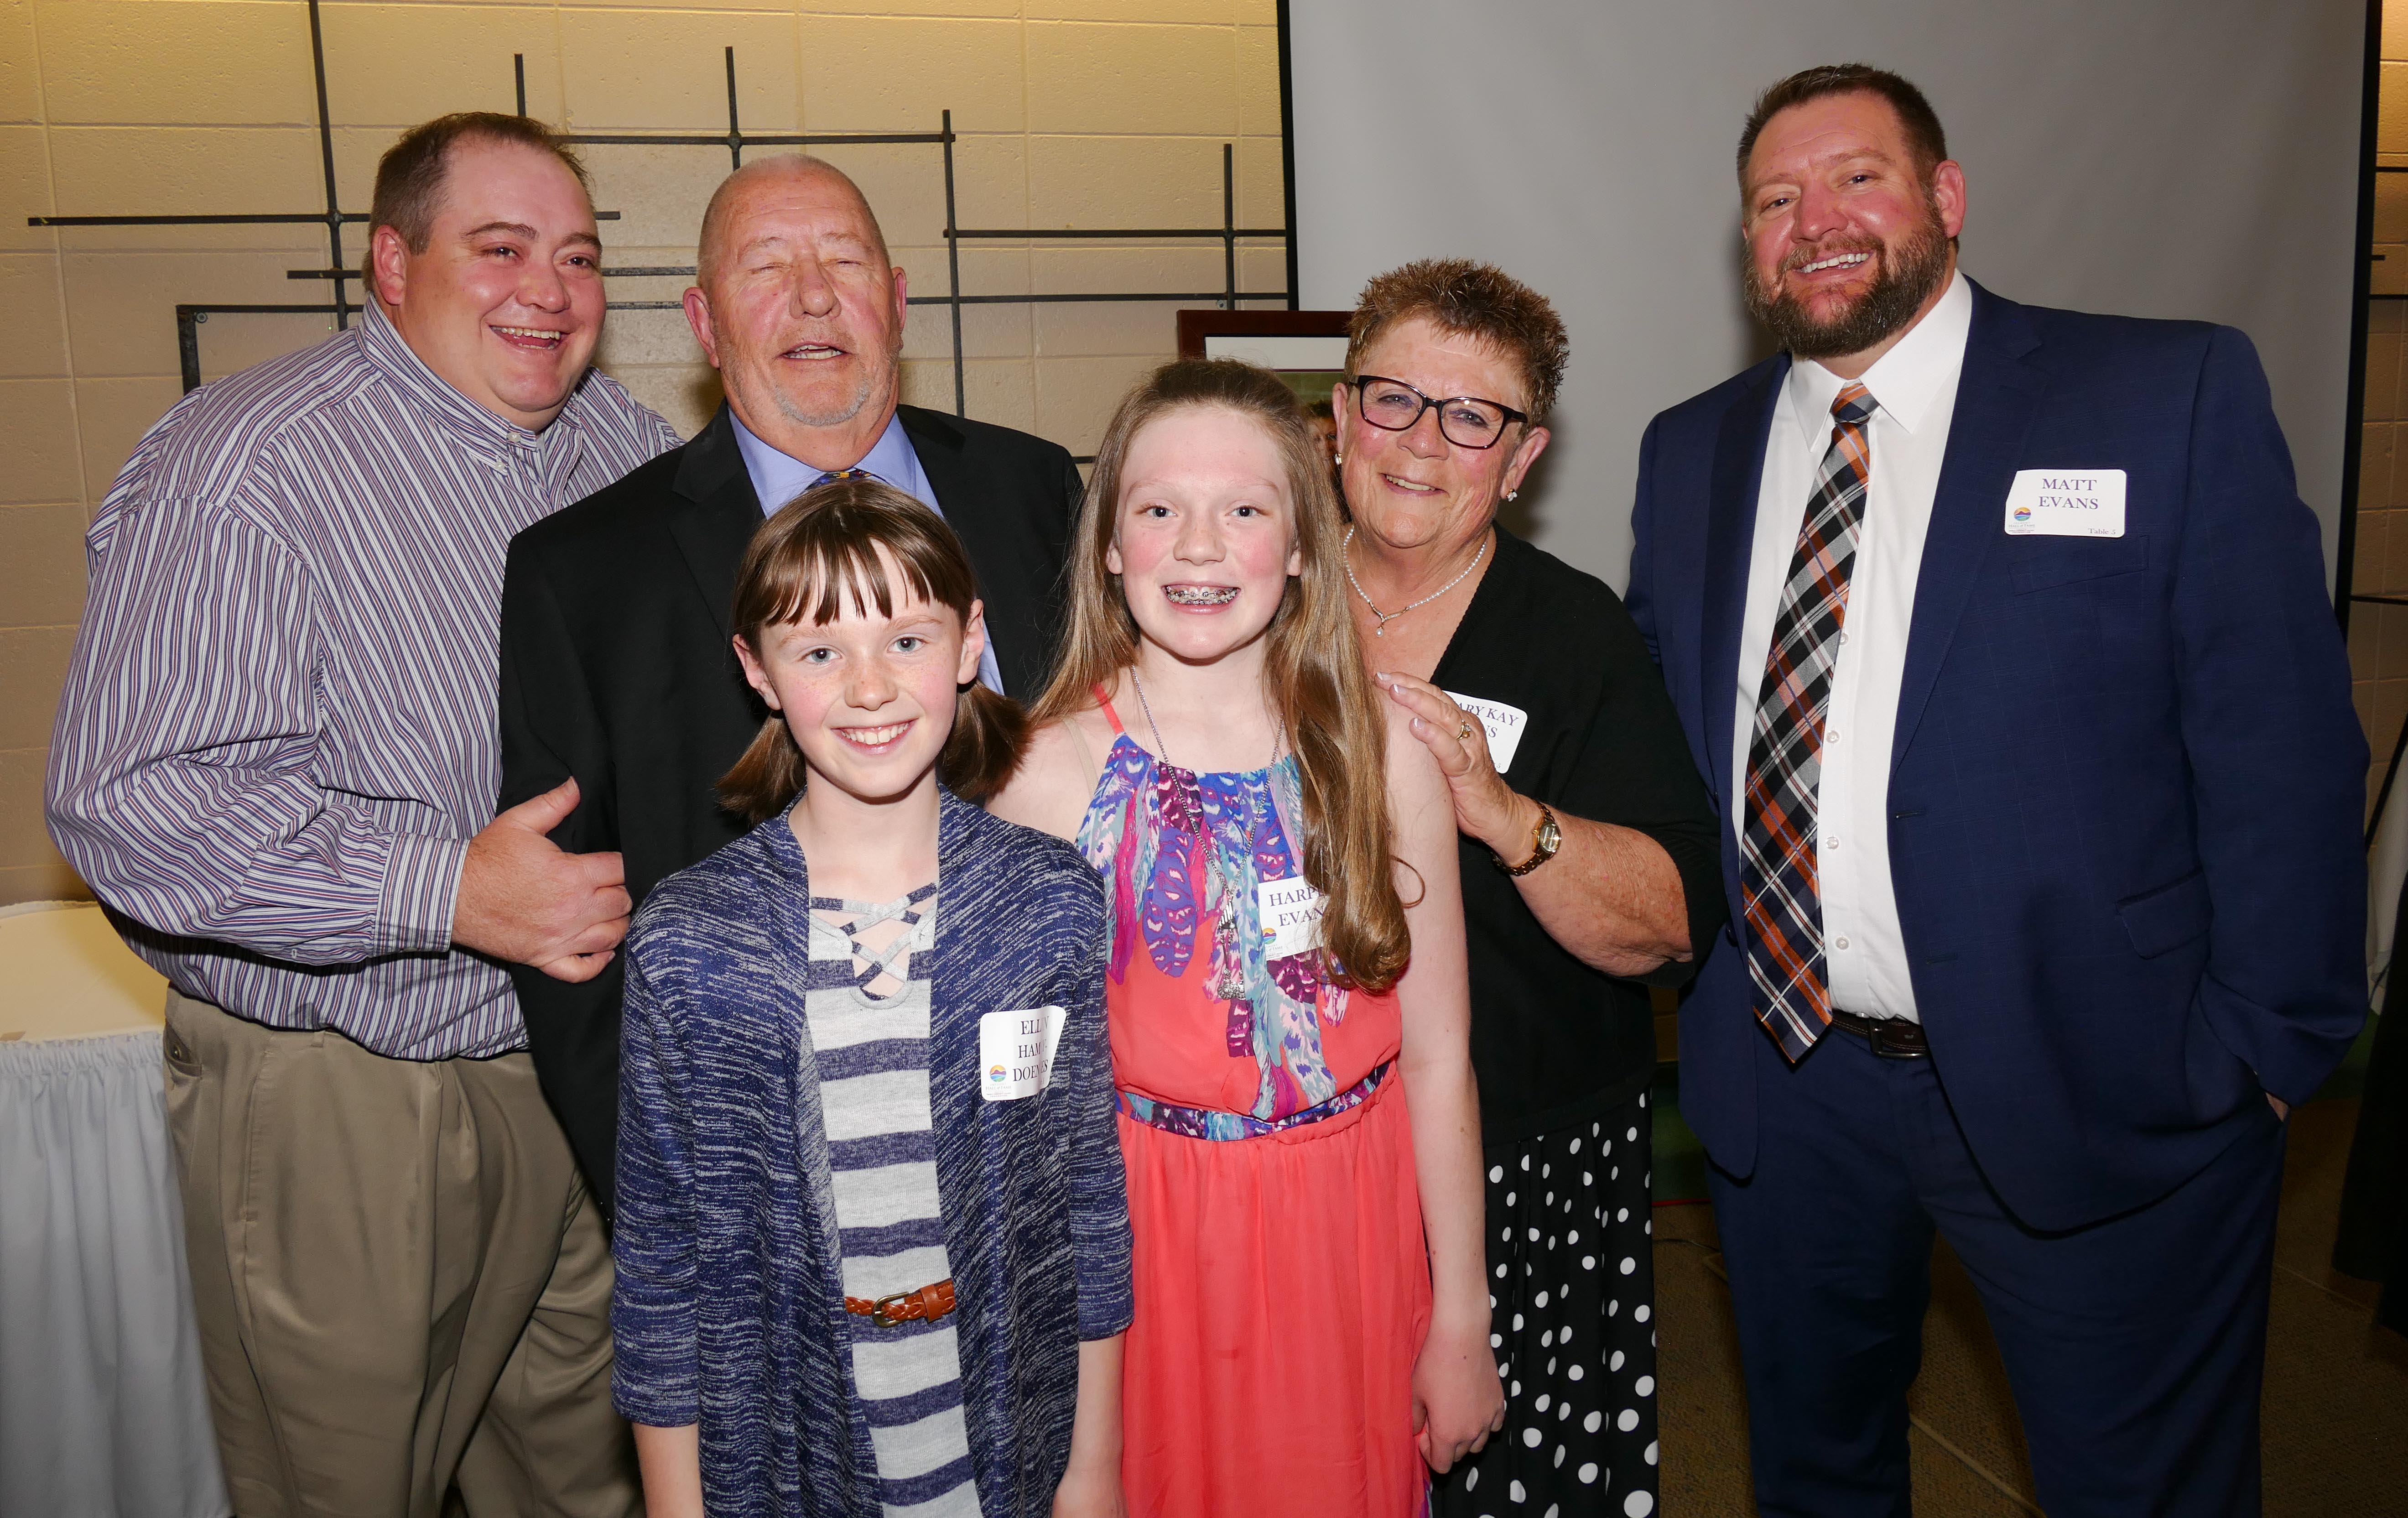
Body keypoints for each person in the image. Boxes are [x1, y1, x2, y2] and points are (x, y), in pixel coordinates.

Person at [1624, 64, 2367, 1516]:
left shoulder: (2163, 392)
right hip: (1792, 1088)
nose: (1814, 221)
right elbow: (1669, 743)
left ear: (1947, 199)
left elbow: (2280, 743)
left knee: (2143, 1490)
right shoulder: (1691, 448)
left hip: (2112, 1074)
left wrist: (2271, 1049)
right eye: (1775, 200)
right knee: (1818, 1477)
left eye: (1857, 179)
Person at [45, 112, 677, 1517]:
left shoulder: (620, 448)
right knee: (346, 1492)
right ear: (392, 264)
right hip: (350, 1093)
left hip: (575, 1071)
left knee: (592, 1485)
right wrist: (445, 889)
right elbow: (131, 802)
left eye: (577, 257)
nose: (551, 291)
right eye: (499, 248)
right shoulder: (249, 464)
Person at [498, 153, 1085, 1209]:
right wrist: (674, 1212)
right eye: (767, 268)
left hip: (1057, 1131)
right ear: (705, 323)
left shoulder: (1036, 488)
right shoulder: (584, 573)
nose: (814, 295)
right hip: (774, 1178)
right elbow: (571, 944)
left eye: (845, 261)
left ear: (897, 301)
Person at [988, 358, 1502, 1513]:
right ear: (1111, 546)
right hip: (1150, 1257)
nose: (1201, 545)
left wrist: (1461, 1313)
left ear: (1306, 543)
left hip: (1354, 1246)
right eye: (1160, 508)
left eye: (1246, 509)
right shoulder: (1036, 775)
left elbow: (1436, 1058)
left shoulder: (1388, 750)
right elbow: (1013, 1102)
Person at [612, 480, 1129, 1518]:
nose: (870, 687)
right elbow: (663, 1273)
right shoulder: (691, 942)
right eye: (819, 652)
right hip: (789, 1465)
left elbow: (1088, 1210)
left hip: (1005, 1452)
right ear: (758, 670)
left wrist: (1092, 1473)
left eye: (907, 639)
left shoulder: (1044, 901)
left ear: (970, 641)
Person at [1330, 259, 1726, 1517]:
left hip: (1527, 1172)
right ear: (1339, 417)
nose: (1421, 443)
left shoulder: (1575, 635)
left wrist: (1505, 818)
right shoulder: (1240, 600)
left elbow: (1670, 924)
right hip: (1291, 1162)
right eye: (1393, 400)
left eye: (1471, 417)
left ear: (1522, 458)